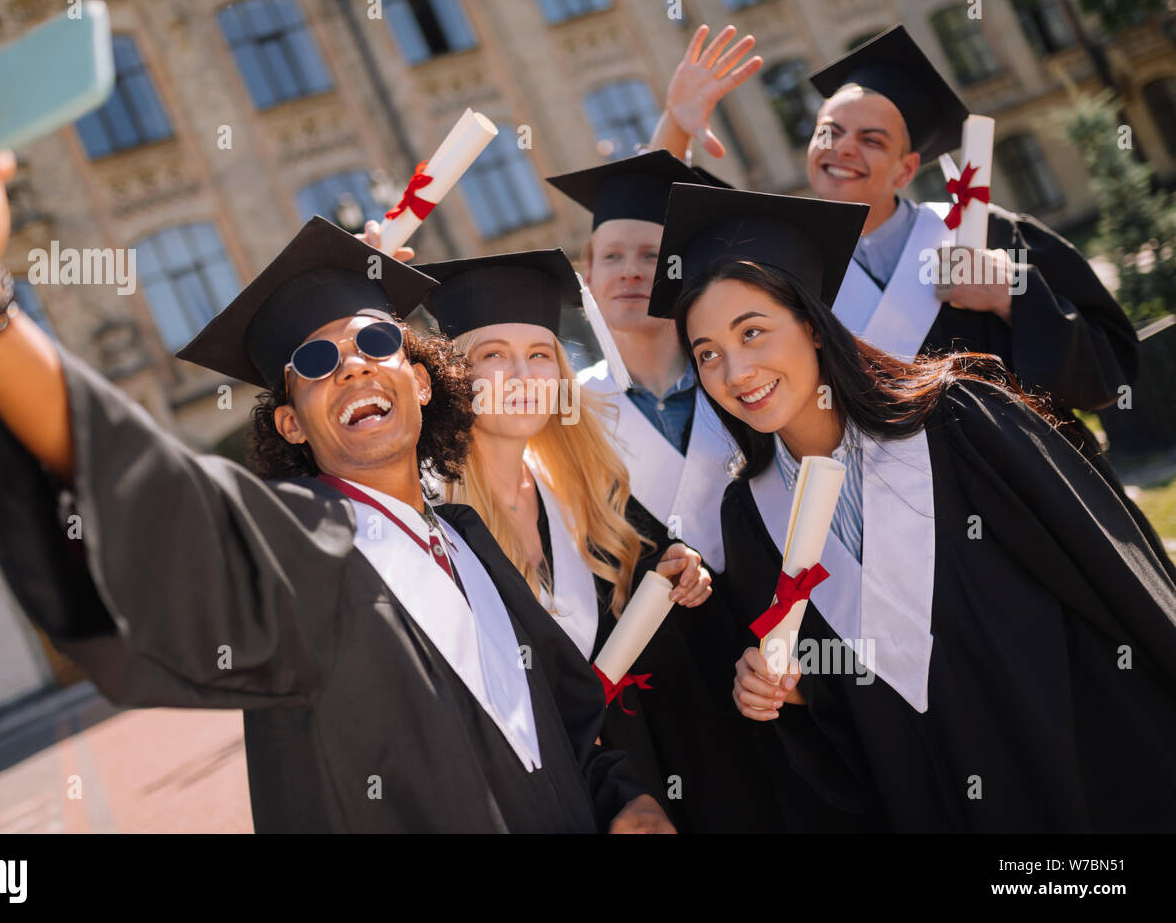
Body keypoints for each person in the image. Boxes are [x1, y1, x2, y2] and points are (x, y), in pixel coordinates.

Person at [0, 74, 676, 834]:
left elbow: (569, 724)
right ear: (292, 425)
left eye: (373, 340)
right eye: (318, 364)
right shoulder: (306, 550)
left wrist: (626, 799)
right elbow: (154, 499)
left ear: (424, 379)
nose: (354, 363)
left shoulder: (465, 539)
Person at [648, 181, 1176, 831]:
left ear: (813, 325)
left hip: (1092, 766)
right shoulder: (752, 518)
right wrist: (793, 686)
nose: (735, 372)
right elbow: (847, 714)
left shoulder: (959, 422)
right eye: (708, 355)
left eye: (753, 332)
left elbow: (1109, 574)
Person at [417, 248, 783, 830]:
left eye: (540, 354)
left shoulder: (585, 494)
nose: (522, 376)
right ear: (448, 374)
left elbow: (678, 635)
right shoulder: (430, 523)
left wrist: (680, 575)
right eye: (493, 355)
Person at [804, 25, 1138, 456]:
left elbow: (1109, 373)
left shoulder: (983, 234)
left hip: (1038, 487)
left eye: (871, 139)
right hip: (903, 515)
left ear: (906, 171)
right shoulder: (791, 274)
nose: (843, 148)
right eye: (830, 130)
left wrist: (1012, 295)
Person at [547, 150, 736, 574]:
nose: (630, 271)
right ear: (588, 278)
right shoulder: (571, 414)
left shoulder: (741, 384)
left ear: (682, 272)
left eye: (651, 255)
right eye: (612, 256)